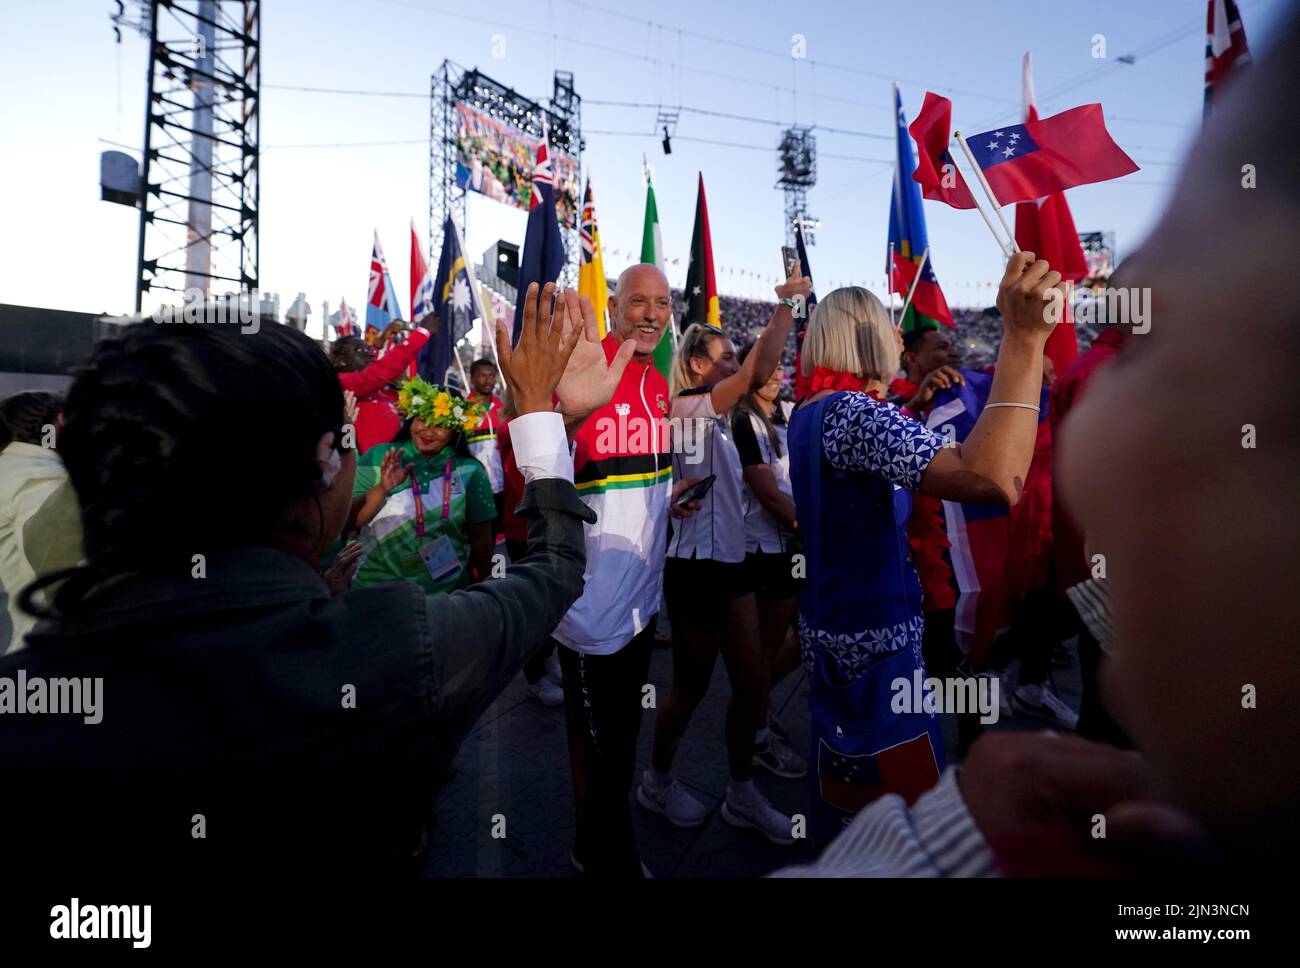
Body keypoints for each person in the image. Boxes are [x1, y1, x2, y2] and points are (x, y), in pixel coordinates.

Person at [0, 282, 629, 876]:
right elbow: (554, 570)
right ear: (323, 466)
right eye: (345, 438)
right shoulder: (397, 648)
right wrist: (544, 418)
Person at [788, 256, 1061, 843]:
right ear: (864, 335)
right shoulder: (858, 415)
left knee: (849, 789)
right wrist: (1024, 339)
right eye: (888, 324)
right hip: (879, 646)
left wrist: (909, 408)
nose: (897, 334)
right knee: (903, 810)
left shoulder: (815, 412)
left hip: (833, 631)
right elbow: (993, 479)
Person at [640, 260, 812, 846]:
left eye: (736, 361)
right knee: (688, 691)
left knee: (752, 684)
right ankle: (657, 781)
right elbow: (764, 366)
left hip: (734, 568)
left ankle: (741, 793)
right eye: (726, 360)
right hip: (692, 573)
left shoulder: (735, 417)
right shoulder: (688, 407)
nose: (738, 369)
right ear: (695, 365)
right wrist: (787, 302)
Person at [540, 266, 669, 877]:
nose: (650, 313)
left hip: (642, 604)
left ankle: (595, 847)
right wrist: (561, 416)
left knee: (617, 746)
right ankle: (605, 855)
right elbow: (533, 477)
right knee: (602, 750)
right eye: (637, 301)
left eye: (663, 302)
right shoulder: (585, 370)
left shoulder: (660, 383)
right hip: (590, 608)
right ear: (613, 308)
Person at [730, 344, 805, 778]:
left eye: (779, 367)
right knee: (766, 648)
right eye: (766, 368)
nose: (776, 375)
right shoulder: (744, 421)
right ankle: (755, 731)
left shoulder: (790, 412)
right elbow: (766, 492)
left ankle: (757, 707)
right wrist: (813, 532)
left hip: (793, 545)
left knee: (798, 640)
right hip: (767, 549)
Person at [349, 378, 494, 595]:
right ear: (411, 419)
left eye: (441, 425)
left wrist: (487, 590)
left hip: (444, 595)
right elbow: (351, 521)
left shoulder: (470, 471)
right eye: (423, 418)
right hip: (375, 588)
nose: (428, 430)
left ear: (456, 430)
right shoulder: (380, 456)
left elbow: (481, 538)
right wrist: (382, 489)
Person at [0, 390, 66, 653]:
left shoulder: (12, 470)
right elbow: (60, 574)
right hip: (56, 652)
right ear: (61, 422)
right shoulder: (42, 479)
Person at [333, 322, 430, 454]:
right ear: (340, 360)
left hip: (390, 466)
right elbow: (381, 371)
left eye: (370, 350)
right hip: (362, 468)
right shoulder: (340, 382)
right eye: (361, 350)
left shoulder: (380, 391)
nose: (371, 354)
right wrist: (422, 332)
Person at [465, 357, 507, 538]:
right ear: (472, 379)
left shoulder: (502, 408)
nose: (488, 380)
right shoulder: (463, 409)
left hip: (501, 483)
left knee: (499, 532)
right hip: (474, 483)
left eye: (491, 375)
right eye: (482, 376)